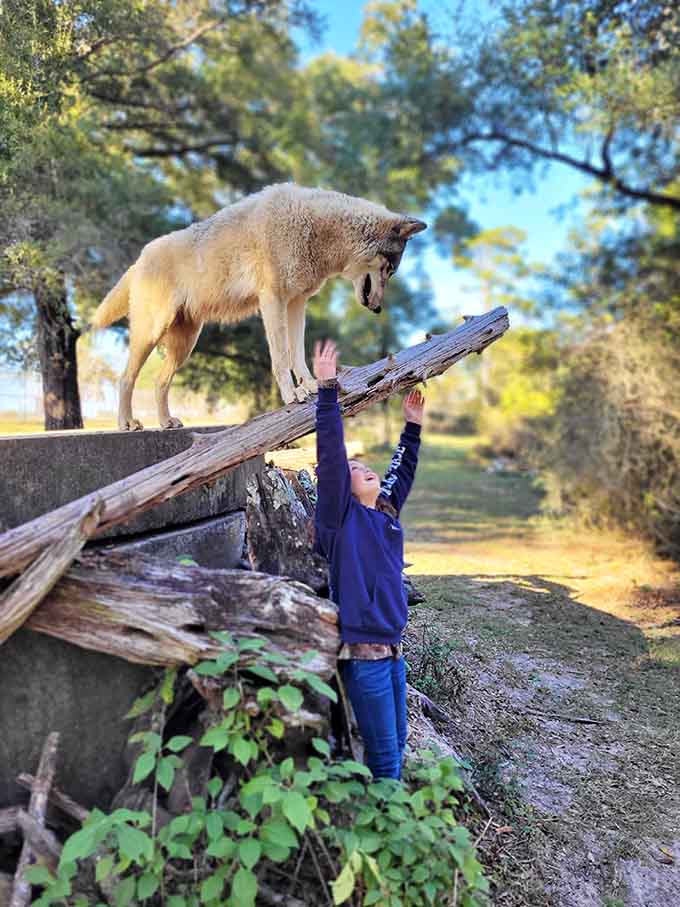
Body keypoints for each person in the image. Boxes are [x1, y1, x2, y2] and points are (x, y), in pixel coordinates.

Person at [313, 338, 424, 780]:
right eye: (353, 471)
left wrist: (412, 427)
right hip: (365, 660)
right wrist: (327, 393)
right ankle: (389, 840)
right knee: (384, 761)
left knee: (398, 746)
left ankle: (393, 827)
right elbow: (331, 457)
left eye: (365, 467)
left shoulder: (386, 513)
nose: (362, 470)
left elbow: (403, 469)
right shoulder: (340, 520)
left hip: (396, 655)